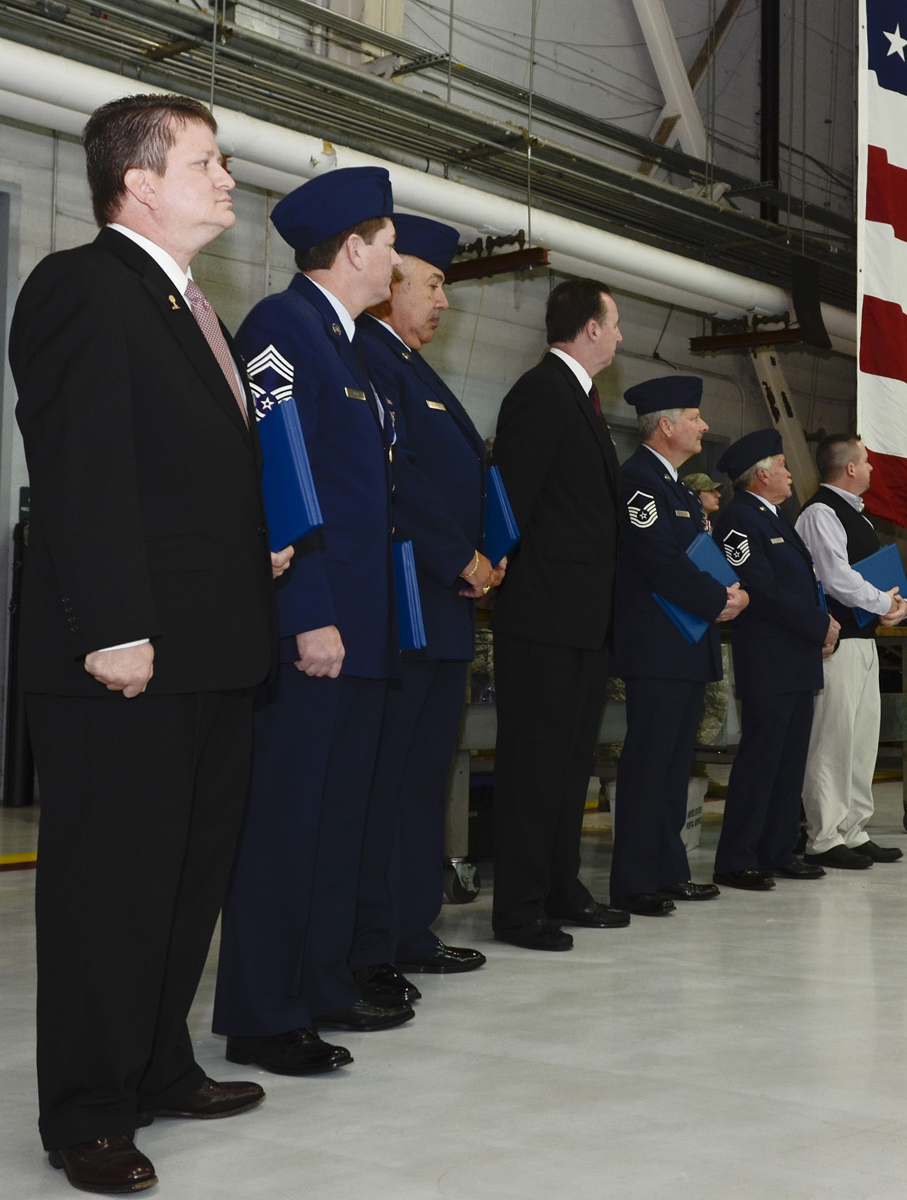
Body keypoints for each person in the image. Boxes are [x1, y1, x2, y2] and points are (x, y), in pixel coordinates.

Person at [11, 93, 289, 1193]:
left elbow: (182, 477)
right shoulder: (82, 287)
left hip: (212, 649)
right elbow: (83, 469)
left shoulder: (189, 306)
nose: (227, 180)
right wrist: (117, 626)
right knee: (108, 890)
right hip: (129, 657)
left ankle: (159, 1064)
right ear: (139, 182)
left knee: (184, 880)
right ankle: (85, 1109)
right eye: (208, 162)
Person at [213, 166, 416, 1077]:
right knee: (287, 823)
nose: (398, 260)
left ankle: (323, 984)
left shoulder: (352, 349)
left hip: (365, 632)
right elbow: (280, 485)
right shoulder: (281, 331)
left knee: (340, 820)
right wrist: (309, 613)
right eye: (389, 244)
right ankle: (263, 1011)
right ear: (351, 249)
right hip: (319, 628)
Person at [348, 215, 494, 1006]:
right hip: (409, 598)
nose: (444, 300)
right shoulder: (371, 358)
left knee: (421, 779)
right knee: (390, 780)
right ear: (391, 284)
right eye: (434, 283)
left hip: (444, 608)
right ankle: (378, 936)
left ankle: (409, 928)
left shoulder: (413, 367)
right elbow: (396, 478)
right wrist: (460, 556)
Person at [487, 279, 630, 951]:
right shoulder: (541, 393)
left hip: (579, 619)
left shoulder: (579, 400)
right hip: (542, 617)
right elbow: (512, 496)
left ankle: (560, 887)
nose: (623, 336)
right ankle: (518, 908)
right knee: (534, 766)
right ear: (590, 328)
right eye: (617, 323)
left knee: (571, 763)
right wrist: (493, 566)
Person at [610, 376, 750, 913]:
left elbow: (697, 553)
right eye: (695, 416)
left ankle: (668, 869)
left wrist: (730, 591)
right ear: (666, 425)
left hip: (687, 640)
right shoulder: (639, 482)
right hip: (659, 642)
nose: (704, 426)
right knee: (650, 763)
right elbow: (658, 559)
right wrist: (718, 599)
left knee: (674, 764)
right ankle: (634, 880)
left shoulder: (676, 488)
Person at [708, 429, 838, 890]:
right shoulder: (740, 521)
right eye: (782, 464)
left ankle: (778, 849)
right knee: (762, 760)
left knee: (788, 761)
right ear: (761, 474)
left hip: (796, 658)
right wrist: (816, 624)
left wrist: (819, 625)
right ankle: (737, 857)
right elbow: (761, 590)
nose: (788, 472)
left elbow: (801, 584)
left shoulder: (776, 517)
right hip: (768, 657)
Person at [794, 435, 907, 869]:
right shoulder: (821, 512)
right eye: (867, 463)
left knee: (861, 741)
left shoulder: (858, 516)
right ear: (848, 469)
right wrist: (885, 602)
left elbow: (876, 573)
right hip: (836, 643)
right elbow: (835, 577)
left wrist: (899, 604)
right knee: (832, 741)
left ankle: (853, 828)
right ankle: (823, 835)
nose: (872, 469)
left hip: (863, 641)